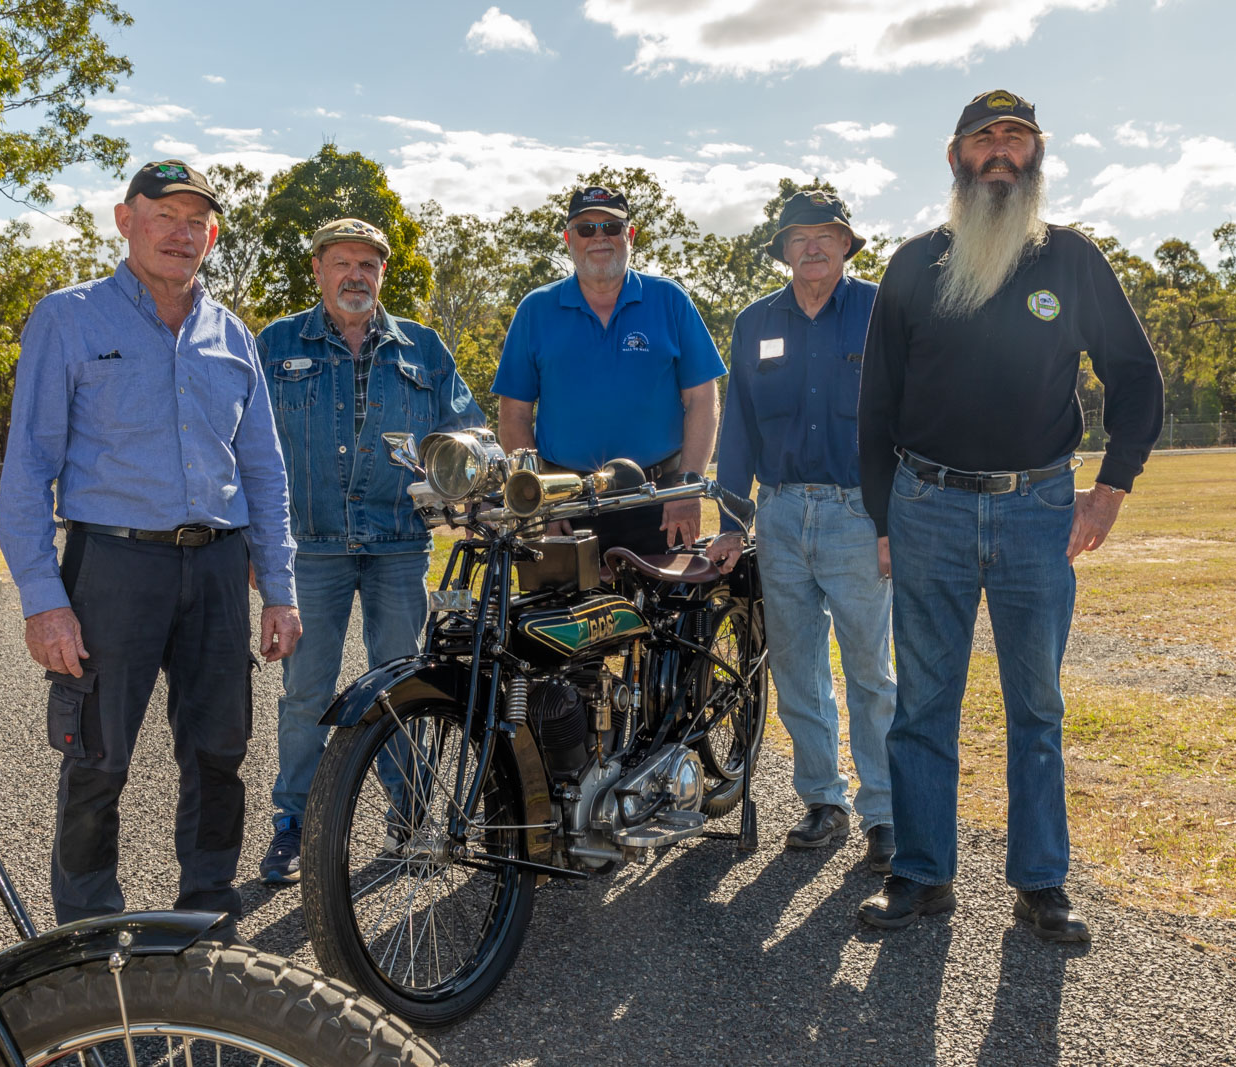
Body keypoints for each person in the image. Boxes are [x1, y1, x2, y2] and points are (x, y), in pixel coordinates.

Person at [854, 91, 1164, 943]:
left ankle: (1041, 882)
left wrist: (1112, 487)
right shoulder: (915, 263)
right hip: (926, 508)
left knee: (1037, 705)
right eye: (984, 137)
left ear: (1036, 155)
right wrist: (883, 518)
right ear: (955, 156)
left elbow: (1136, 378)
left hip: (1038, 511)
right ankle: (920, 872)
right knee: (922, 705)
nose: (1000, 151)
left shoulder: (1071, 260)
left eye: (1016, 137)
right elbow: (876, 403)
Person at [0, 158, 303, 934]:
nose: (180, 232)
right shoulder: (68, 319)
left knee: (219, 753)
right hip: (112, 568)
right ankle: (87, 929)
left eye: (195, 219)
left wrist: (280, 586)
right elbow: (29, 470)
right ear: (123, 219)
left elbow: (264, 469)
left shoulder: (232, 335)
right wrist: (44, 602)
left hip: (215, 565)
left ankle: (206, 912)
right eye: (162, 214)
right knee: (97, 761)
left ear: (212, 234)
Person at [254, 218, 483, 883]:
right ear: (319, 270)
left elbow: (465, 431)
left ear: (382, 274)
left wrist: (462, 491)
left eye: (368, 265)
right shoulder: (274, 345)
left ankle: (409, 822)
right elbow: (243, 444)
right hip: (311, 548)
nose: (355, 275)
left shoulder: (424, 349)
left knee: (403, 687)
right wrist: (256, 542)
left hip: (399, 546)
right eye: (342, 262)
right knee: (306, 693)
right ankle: (294, 827)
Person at [705, 191, 897, 869]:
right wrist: (732, 522)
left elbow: (907, 416)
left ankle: (885, 813)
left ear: (847, 244)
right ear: (782, 250)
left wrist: (892, 519)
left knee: (872, 671)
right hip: (779, 515)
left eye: (826, 235)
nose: (812, 247)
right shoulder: (756, 322)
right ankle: (823, 800)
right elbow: (739, 429)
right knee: (796, 667)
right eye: (799, 237)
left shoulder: (880, 311)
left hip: (858, 513)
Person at [493, 185, 725, 554]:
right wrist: (540, 501)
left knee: (669, 610)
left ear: (629, 236)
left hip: (661, 501)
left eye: (611, 228)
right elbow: (515, 415)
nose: (599, 237)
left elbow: (702, 400)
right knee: (561, 613)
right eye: (586, 229)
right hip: (564, 505)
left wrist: (688, 486)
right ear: (569, 240)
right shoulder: (535, 310)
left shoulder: (671, 300)